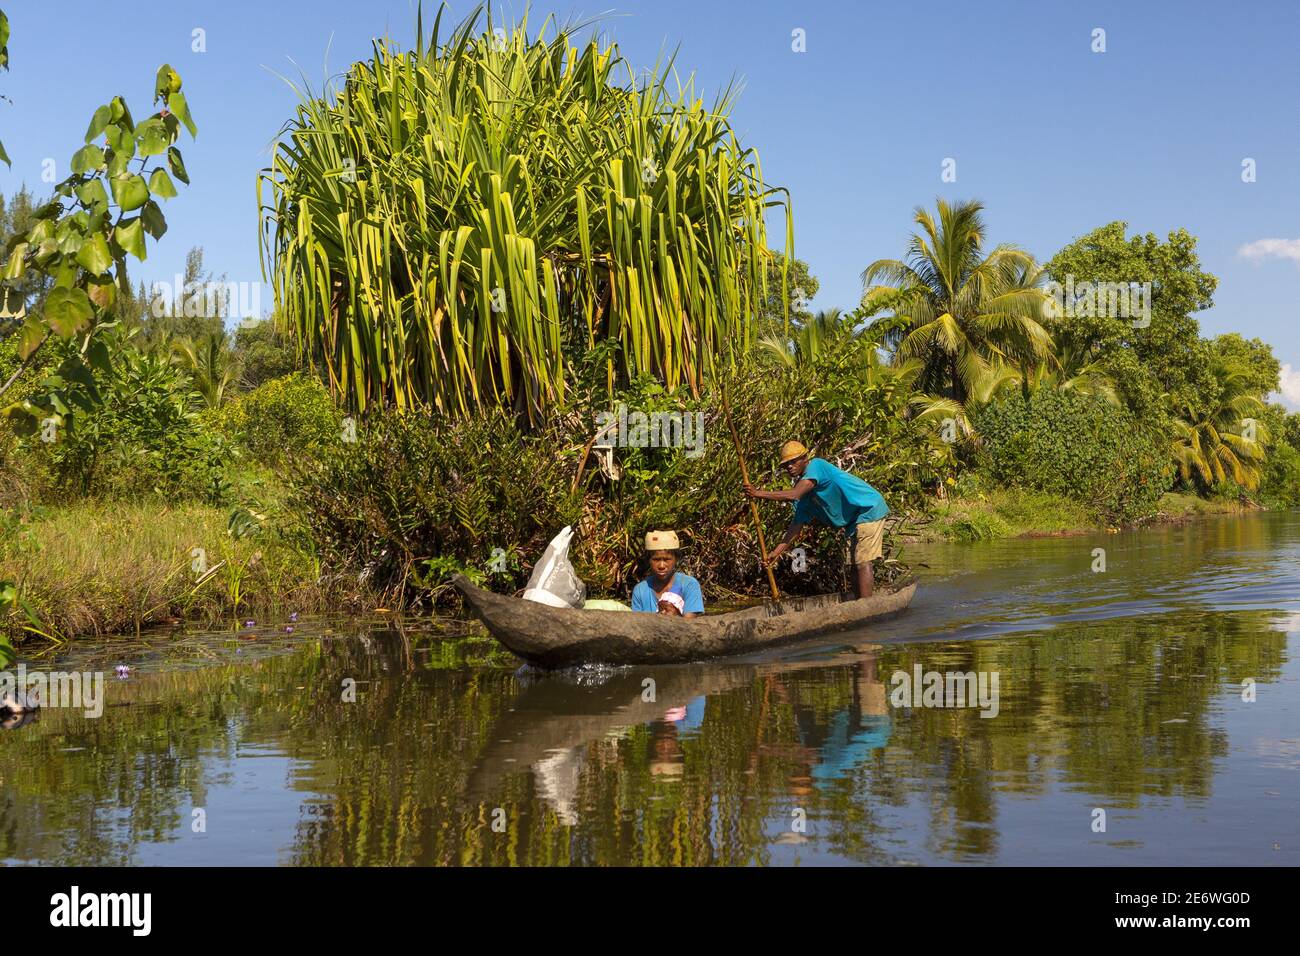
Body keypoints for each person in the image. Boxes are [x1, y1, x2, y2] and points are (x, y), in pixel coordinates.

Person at [744, 441, 890, 599]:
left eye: (793, 462)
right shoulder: (804, 497)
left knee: (862, 561)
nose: (789, 467)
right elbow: (796, 527)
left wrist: (758, 493)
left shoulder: (816, 466)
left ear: (805, 459)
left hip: (868, 508)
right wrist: (776, 553)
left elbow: (794, 494)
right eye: (786, 465)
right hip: (853, 520)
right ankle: (858, 602)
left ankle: (866, 605)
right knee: (853, 564)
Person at [631, 530, 704, 617]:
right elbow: (637, 624)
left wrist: (676, 615)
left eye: (667, 559)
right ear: (649, 560)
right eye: (656, 559)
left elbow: (690, 623)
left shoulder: (689, 585)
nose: (661, 566)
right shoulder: (640, 590)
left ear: (676, 559)